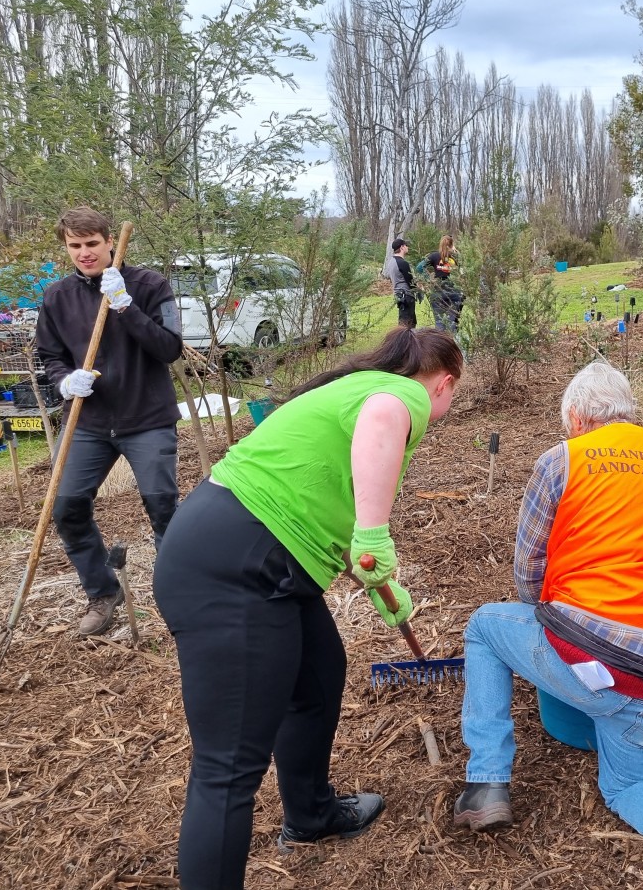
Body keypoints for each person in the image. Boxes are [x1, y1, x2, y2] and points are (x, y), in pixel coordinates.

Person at [152, 327, 462, 890]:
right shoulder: (400, 394)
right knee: (228, 769)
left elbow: (323, 499)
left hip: (249, 550)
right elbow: (383, 420)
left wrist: (374, 581)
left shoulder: (354, 389)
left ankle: (310, 815)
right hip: (232, 565)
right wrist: (374, 532)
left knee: (319, 675)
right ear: (444, 384)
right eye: (450, 396)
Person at [455, 362, 643, 890]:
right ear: (628, 413)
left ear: (575, 417)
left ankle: (486, 782)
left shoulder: (563, 460)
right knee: (631, 785)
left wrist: (546, 626)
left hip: (586, 657)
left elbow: (529, 570)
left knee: (485, 626)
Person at [35, 206, 183, 636]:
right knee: (67, 508)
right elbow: (50, 356)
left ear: (109, 242)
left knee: (163, 509)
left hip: (147, 417)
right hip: (89, 422)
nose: (84, 253)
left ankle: (180, 596)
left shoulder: (150, 286)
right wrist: (64, 382)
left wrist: (125, 306)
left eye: (92, 244)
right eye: (75, 246)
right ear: (66, 247)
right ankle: (102, 593)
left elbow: (169, 348)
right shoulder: (57, 297)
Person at [423, 234, 464, 333]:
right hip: (454, 291)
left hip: (438, 291)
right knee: (452, 322)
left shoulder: (434, 256)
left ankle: (439, 345)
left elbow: (420, 267)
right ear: (452, 245)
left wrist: (429, 279)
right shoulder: (456, 256)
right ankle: (452, 344)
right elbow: (463, 272)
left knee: (439, 322)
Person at [388, 238, 420, 328]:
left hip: (399, 295)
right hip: (406, 295)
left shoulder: (391, 262)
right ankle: (404, 341)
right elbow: (410, 281)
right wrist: (418, 290)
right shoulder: (403, 263)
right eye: (406, 245)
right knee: (407, 324)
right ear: (402, 247)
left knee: (405, 320)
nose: (407, 247)